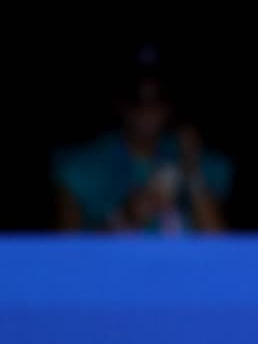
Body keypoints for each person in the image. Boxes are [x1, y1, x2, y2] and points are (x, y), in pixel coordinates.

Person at [54, 60, 231, 233]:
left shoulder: (192, 155)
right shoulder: (81, 168)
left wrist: (192, 171)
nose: (149, 109)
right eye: (137, 98)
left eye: (159, 98)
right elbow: (64, 255)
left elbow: (220, 247)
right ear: (120, 104)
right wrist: (124, 218)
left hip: (182, 262)